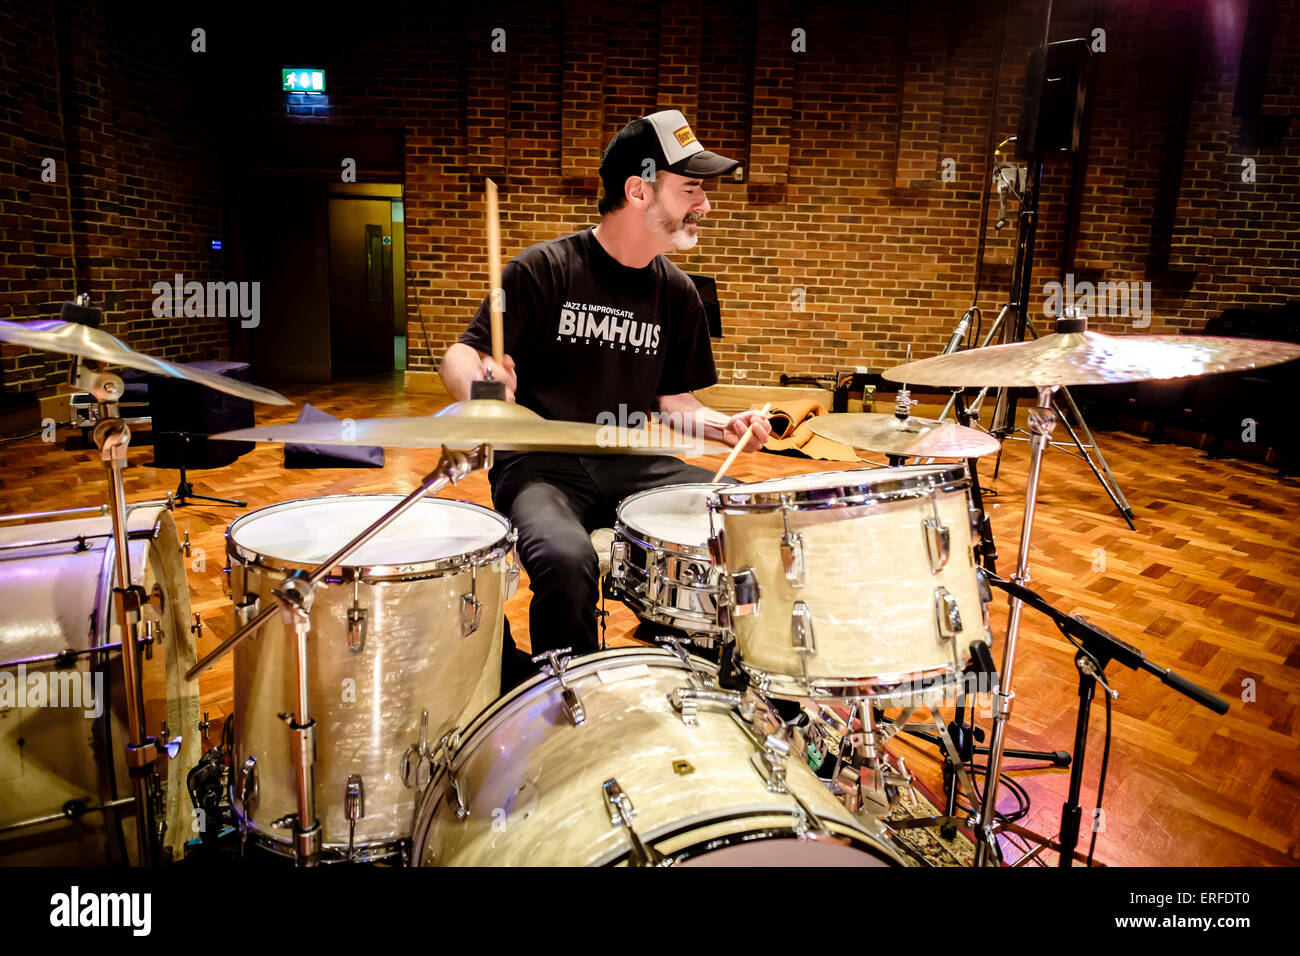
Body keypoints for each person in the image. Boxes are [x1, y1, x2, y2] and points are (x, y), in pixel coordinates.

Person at [441, 109, 771, 686]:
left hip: (627, 460)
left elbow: (676, 403)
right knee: (569, 562)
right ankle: (562, 702)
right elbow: (459, 355)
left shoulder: (678, 293)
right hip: (538, 467)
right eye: (691, 189)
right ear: (639, 190)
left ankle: (720, 684)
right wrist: (484, 385)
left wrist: (721, 426)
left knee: (745, 518)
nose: (705, 205)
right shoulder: (543, 269)